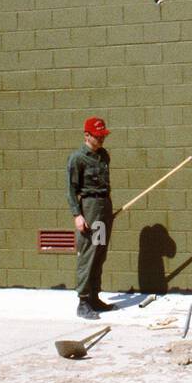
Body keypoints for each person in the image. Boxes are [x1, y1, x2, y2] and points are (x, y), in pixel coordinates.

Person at [66, 117, 114, 319]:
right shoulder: (78, 158)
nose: (101, 139)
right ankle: (83, 301)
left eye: (103, 136)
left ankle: (94, 296)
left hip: (103, 207)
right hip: (90, 208)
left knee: (100, 253)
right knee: (88, 253)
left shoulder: (104, 155)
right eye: (97, 136)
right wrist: (77, 215)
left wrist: (106, 209)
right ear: (87, 135)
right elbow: (70, 189)